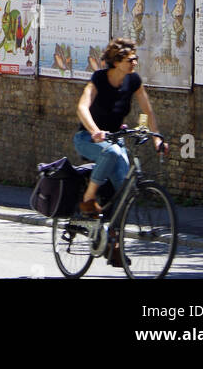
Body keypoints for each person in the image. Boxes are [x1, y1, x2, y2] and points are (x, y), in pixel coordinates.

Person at [74, 37, 168, 261]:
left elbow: (146, 109)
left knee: (125, 189)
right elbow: (82, 107)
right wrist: (95, 130)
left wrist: (150, 133)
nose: (135, 62)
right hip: (87, 138)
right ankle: (88, 199)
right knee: (112, 152)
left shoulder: (133, 81)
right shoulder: (99, 78)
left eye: (135, 59)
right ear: (117, 61)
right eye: (130, 59)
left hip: (115, 138)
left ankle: (113, 244)